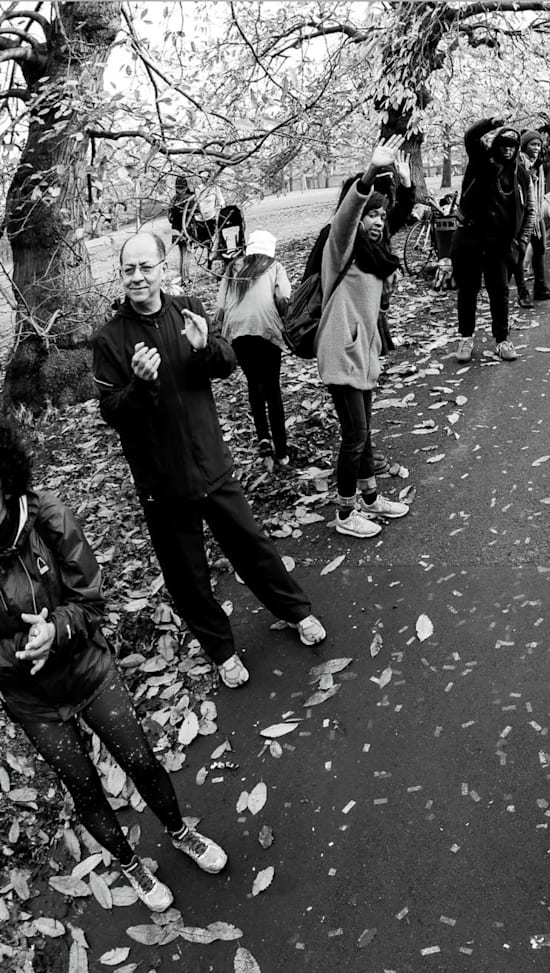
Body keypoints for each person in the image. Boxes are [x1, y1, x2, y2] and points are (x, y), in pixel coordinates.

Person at [0, 417, 229, 911]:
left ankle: (179, 831)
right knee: (82, 784)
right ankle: (130, 866)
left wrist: (55, 631)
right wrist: (22, 650)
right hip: (31, 698)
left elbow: (91, 600)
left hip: (87, 669)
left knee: (141, 760)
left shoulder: (46, 518)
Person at [92, 233, 325, 688]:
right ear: (121, 277)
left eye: (145, 266)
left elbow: (225, 363)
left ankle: (295, 611)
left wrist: (203, 347)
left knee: (251, 546)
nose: (137, 277)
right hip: (162, 481)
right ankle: (221, 649)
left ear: (163, 268)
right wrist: (140, 385)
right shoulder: (110, 340)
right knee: (188, 576)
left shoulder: (189, 309)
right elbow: (113, 412)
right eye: (128, 270)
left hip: (210, 462)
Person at [317, 138, 414, 537]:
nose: (376, 221)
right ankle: (344, 514)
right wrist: (370, 173)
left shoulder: (376, 252)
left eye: (380, 215)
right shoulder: (340, 246)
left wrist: (404, 186)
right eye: (370, 215)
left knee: (365, 433)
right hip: (340, 349)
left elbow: (400, 216)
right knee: (354, 436)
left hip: (364, 352)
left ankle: (371, 500)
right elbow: (348, 213)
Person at [451, 118, 533, 364]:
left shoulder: (520, 174)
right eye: (504, 144)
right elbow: (470, 137)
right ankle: (466, 337)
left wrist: (521, 242)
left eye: (513, 145)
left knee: (499, 292)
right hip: (470, 237)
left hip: (501, 243)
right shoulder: (482, 162)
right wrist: (491, 123)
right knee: (468, 290)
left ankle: (502, 339)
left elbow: (529, 208)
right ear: (497, 144)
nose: (508, 149)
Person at [216, 230, 292, 471]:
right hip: (266, 331)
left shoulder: (232, 268)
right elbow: (283, 298)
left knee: (253, 383)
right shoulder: (275, 267)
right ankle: (282, 451)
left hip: (237, 333)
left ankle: (263, 438)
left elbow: (220, 309)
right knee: (272, 389)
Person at [517, 129, 550, 306]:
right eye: (532, 144)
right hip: (521, 214)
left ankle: (540, 288)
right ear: (524, 146)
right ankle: (522, 293)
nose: (535, 147)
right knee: (519, 253)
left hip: (536, 213)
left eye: (538, 144)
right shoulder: (519, 161)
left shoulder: (538, 161)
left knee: (540, 248)